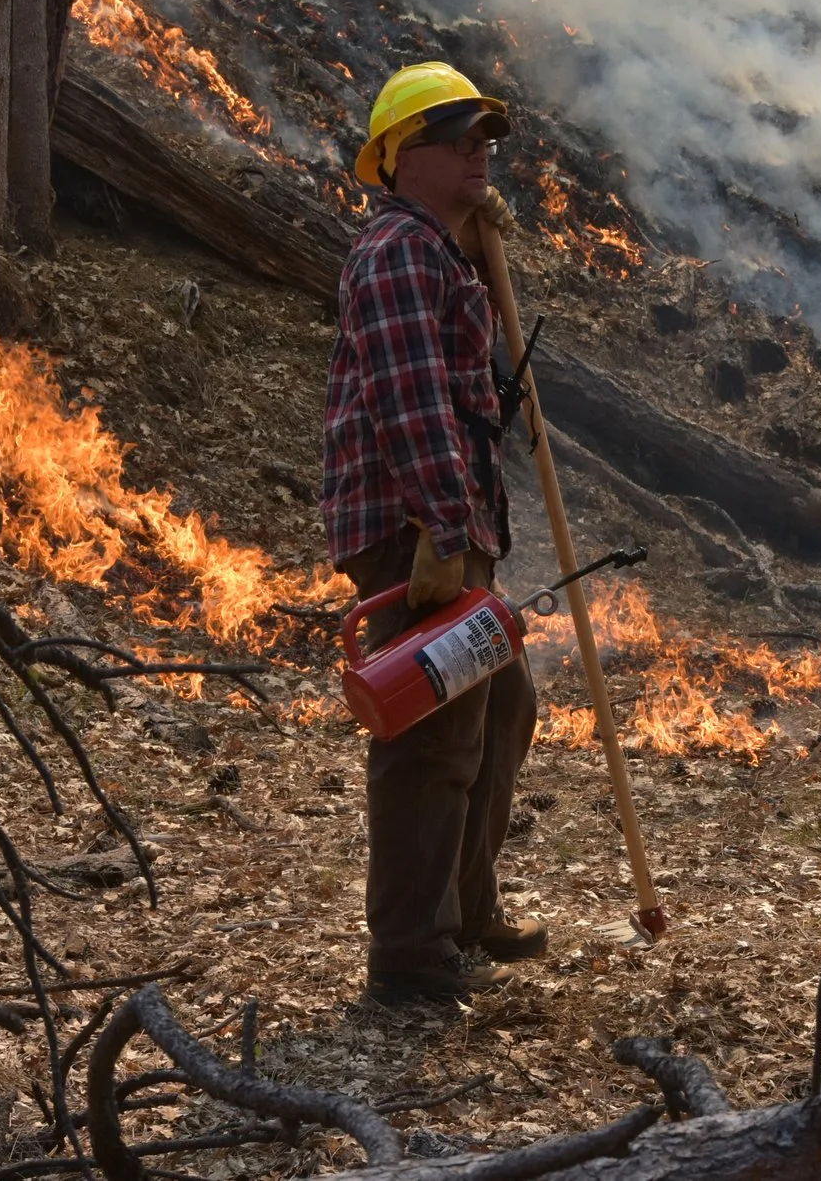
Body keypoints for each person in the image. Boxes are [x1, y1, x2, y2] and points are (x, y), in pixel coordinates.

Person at [324, 61, 547, 1005]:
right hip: (420, 533)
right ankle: (412, 955)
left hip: (450, 523)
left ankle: (464, 904)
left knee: (501, 712)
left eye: (483, 135)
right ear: (400, 158)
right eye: (457, 135)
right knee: (432, 742)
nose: (477, 149)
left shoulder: (444, 251)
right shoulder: (402, 254)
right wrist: (446, 532)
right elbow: (412, 402)